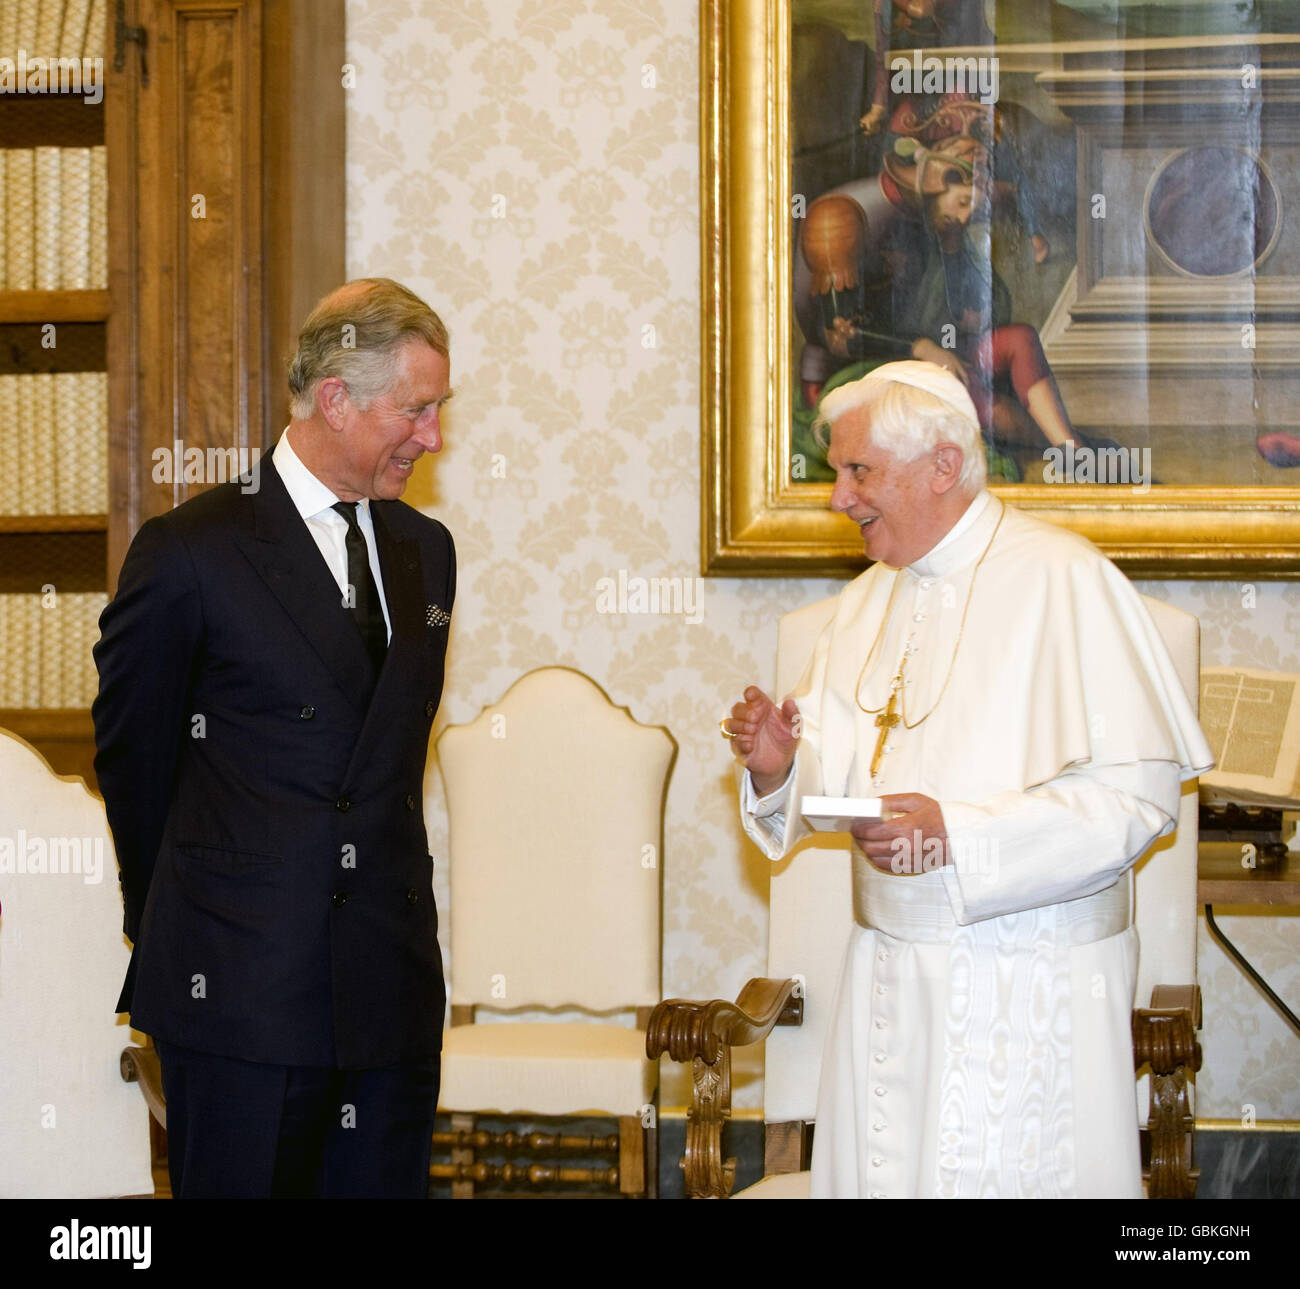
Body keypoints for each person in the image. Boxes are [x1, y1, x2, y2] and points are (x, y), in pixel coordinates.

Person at [723, 360, 1212, 1198]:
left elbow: (1137, 802)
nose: (838, 497)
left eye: (858, 471)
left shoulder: (1065, 579)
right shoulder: (867, 601)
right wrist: (781, 768)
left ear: (942, 466)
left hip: (1029, 991)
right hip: (886, 984)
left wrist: (959, 834)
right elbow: (842, 779)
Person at [93, 277, 456, 1198]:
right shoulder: (190, 551)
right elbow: (135, 763)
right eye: (416, 411)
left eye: (439, 411)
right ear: (336, 398)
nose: (434, 437)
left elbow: (388, 764)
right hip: (242, 994)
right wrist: (182, 920)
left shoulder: (427, 551)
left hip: (389, 995)